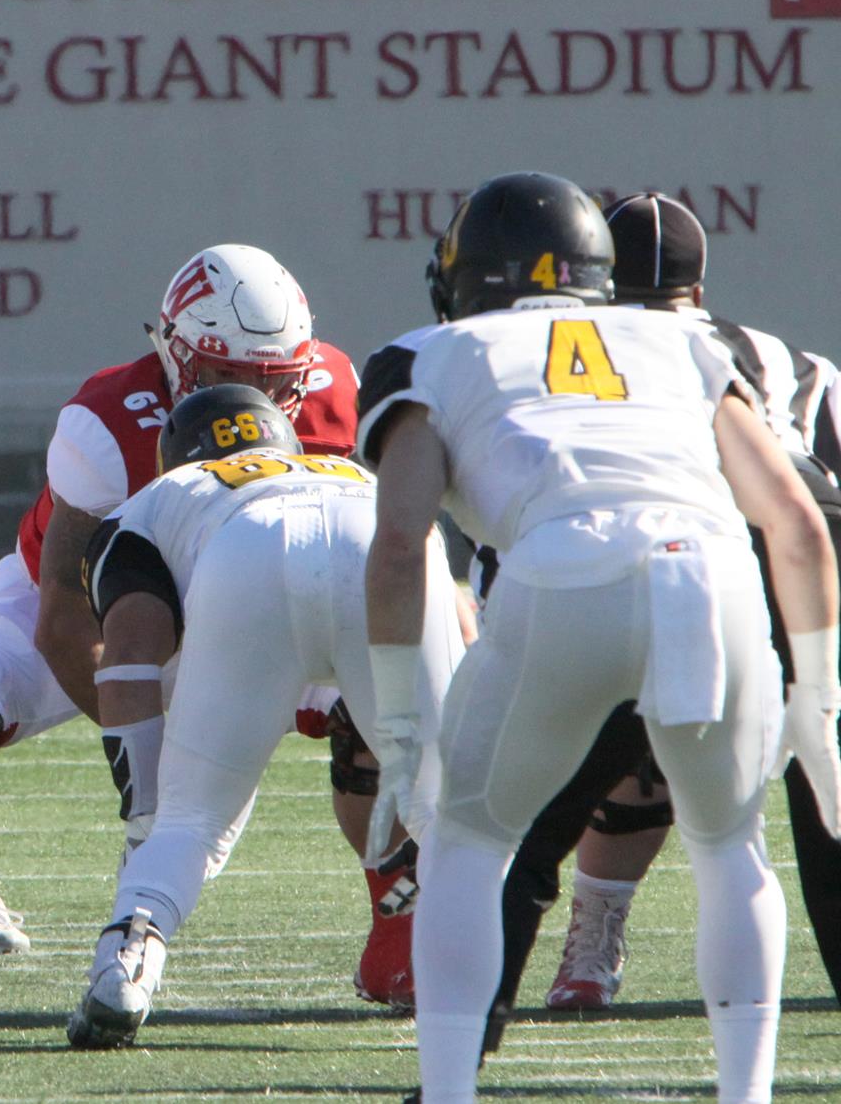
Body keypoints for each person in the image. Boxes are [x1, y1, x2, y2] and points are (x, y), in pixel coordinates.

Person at [356, 171, 839, 1104]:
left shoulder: (433, 353)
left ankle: (449, 1093)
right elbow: (796, 524)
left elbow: (397, 546)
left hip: (559, 574)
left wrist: (402, 730)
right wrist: (817, 694)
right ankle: (749, 1094)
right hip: (713, 575)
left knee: (468, 839)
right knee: (731, 845)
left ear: (468, 275)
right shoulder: (691, 340)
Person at [0, 243, 395, 1022]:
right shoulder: (108, 417)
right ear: (174, 353)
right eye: (225, 375)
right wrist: (150, 772)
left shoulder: (334, 388)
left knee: (371, 715)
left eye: (279, 381)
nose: (257, 396)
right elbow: (67, 618)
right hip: (84, 592)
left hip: (249, 589)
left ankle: (398, 926)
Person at [476, 192, 841, 1024]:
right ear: (700, 288)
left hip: (664, 558)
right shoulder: (791, 361)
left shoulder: (572, 355)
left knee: (517, 825)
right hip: (803, 566)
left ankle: (470, 1029)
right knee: (790, 824)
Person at [64, 386, 462, 1047]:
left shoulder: (161, 496)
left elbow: (131, 651)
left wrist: (147, 815)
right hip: (386, 529)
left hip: (248, 550)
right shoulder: (350, 470)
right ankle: (466, 965)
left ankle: (125, 967)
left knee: (190, 823)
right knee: (449, 812)